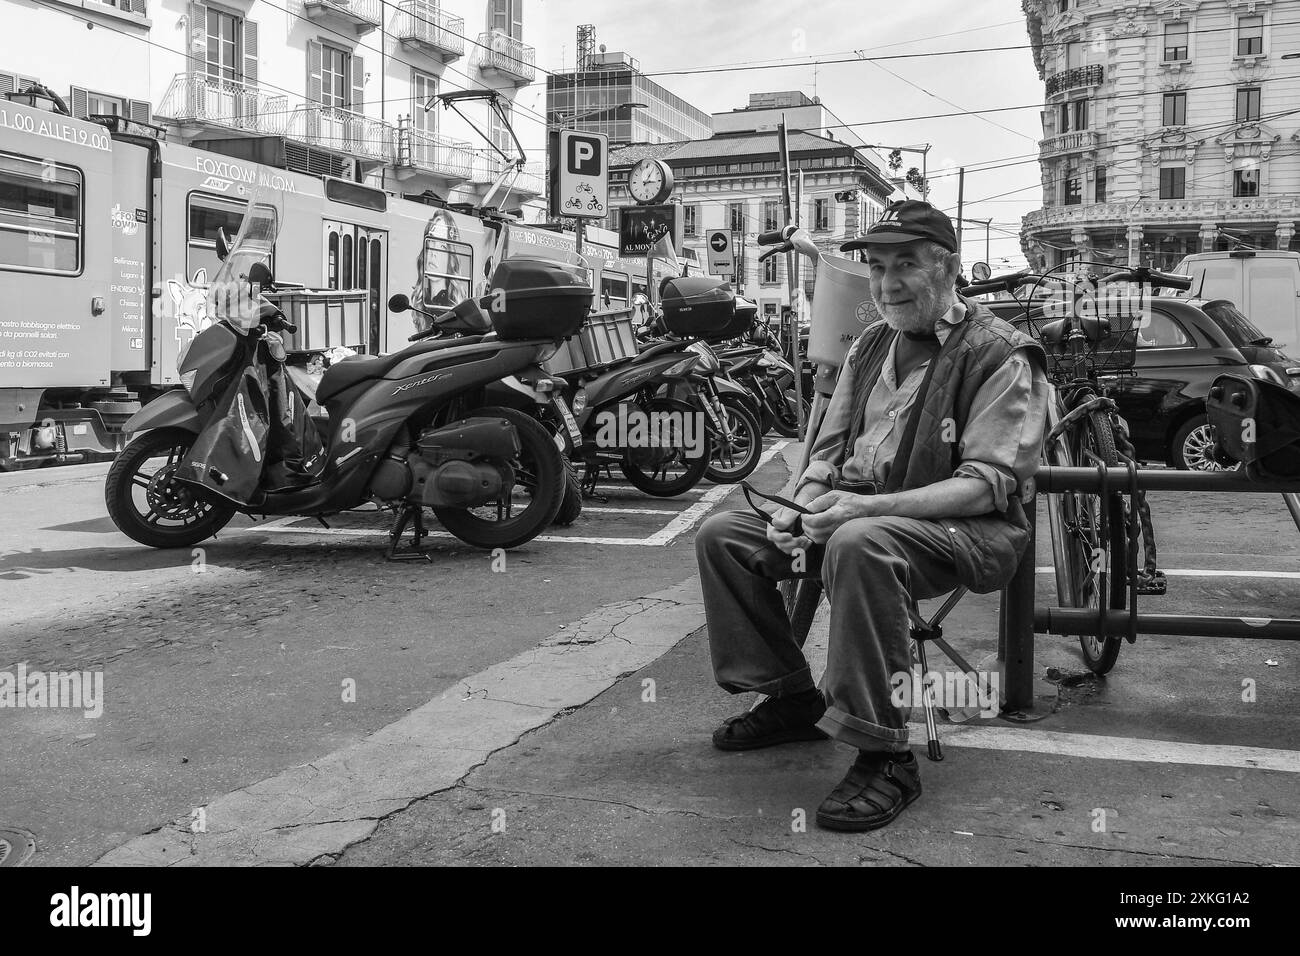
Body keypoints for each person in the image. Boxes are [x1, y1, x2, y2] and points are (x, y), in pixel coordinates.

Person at [694, 201, 1049, 832]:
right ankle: (792, 697)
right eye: (879, 266)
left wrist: (865, 508)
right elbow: (825, 452)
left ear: (948, 268)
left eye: (905, 264)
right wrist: (799, 507)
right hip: (856, 517)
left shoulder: (1001, 354)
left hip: (962, 532)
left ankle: (885, 753)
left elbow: (987, 484)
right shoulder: (871, 344)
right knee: (725, 534)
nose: (887, 283)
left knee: (859, 542)